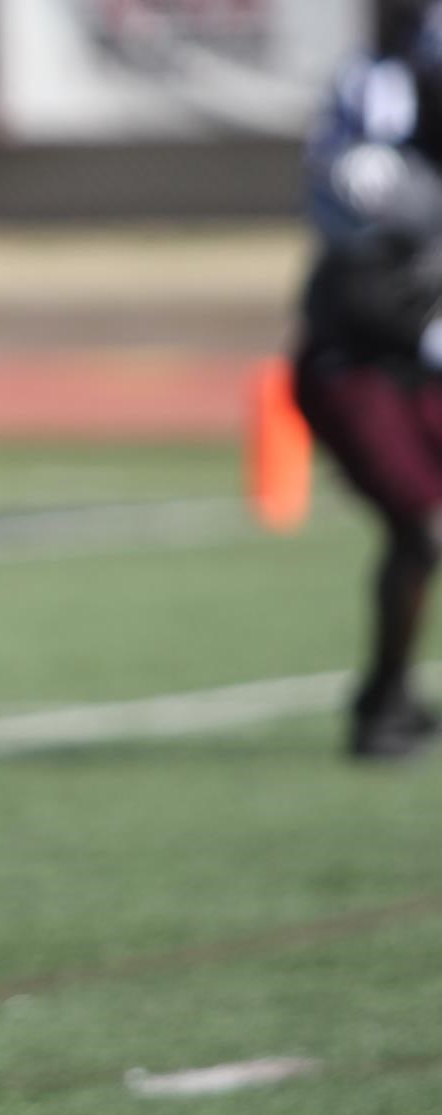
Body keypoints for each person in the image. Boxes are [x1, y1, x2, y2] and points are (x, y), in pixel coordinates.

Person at [293, 0, 442, 759]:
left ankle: (391, 696)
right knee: (421, 528)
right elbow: (357, 295)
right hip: (359, 367)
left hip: (417, 365)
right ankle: (383, 705)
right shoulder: (384, 172)